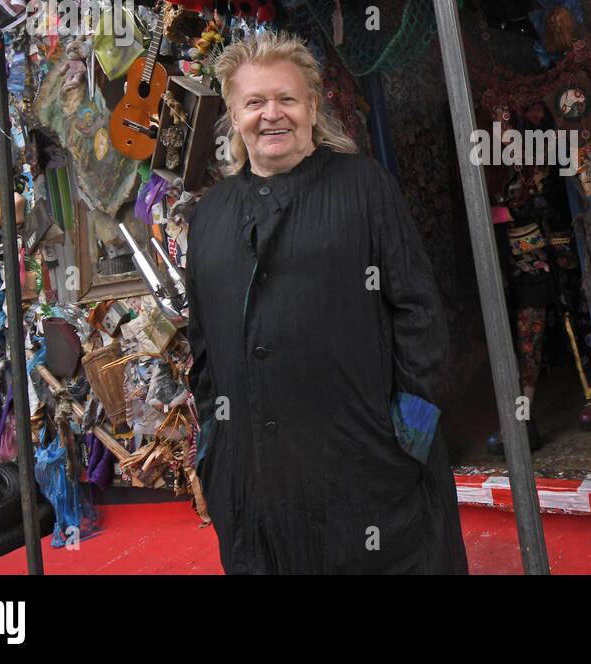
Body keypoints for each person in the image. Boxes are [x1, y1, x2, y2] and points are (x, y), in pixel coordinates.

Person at [185, 33, 468, 574]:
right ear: (234, 115)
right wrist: (214, 447)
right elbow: (203, 347)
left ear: (312, 107)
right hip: (255, 486)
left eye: (287, 99)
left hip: (366, 470)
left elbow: (419, 311)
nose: (273, 115)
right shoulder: (210, 214)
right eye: (255, 102)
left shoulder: (364, 186)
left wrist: (406, 435)